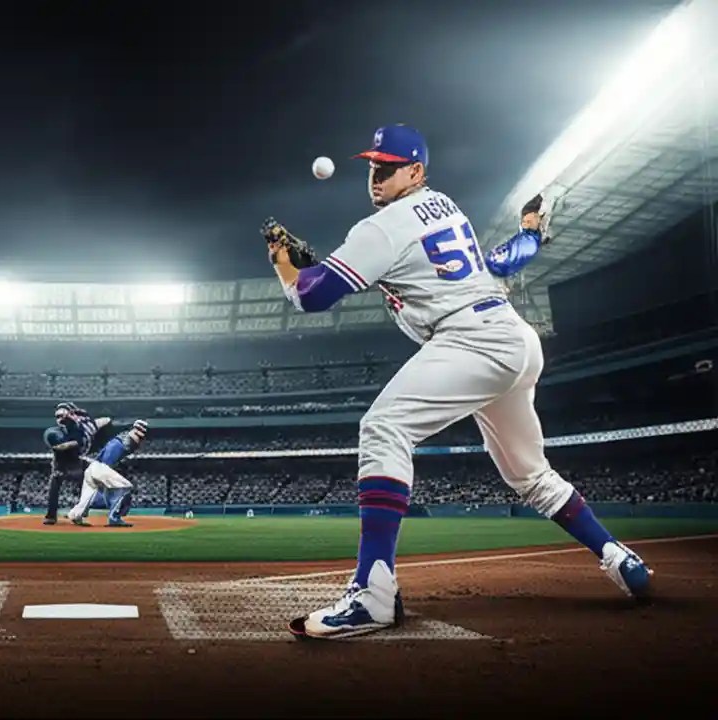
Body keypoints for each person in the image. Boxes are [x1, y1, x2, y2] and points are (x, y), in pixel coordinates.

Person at [262, 124, 651, 640]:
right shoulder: (444, 206)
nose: (376, 175)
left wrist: (285, 265)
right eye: (373, 165)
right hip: (512, 339)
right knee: (530, 476)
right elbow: (496, 261)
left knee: (383, 429)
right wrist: (531, 230)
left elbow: (310, 298)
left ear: (416, 170)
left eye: (388, 166)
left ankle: (373, 594)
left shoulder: (381, 227)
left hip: (472, 341)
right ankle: (618, 558)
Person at [66, 419, 148, 527]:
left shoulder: (120, 439)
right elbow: (133, 440)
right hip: (101, 467)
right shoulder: (126, 440)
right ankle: (114, 518)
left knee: (88, 495)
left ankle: (75, 515)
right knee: (125, 487)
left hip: (92, 467)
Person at [41, 402, 104, 525]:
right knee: (54, 484)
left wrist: (64, 446)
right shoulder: (58, 430)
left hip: (75, 461)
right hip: (61, 462)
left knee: (85, 487)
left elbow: (78, 442)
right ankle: (51, 516)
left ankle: (79, 514)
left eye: (61, 415)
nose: (59, 419)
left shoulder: (75, 426)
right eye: (57, 416)